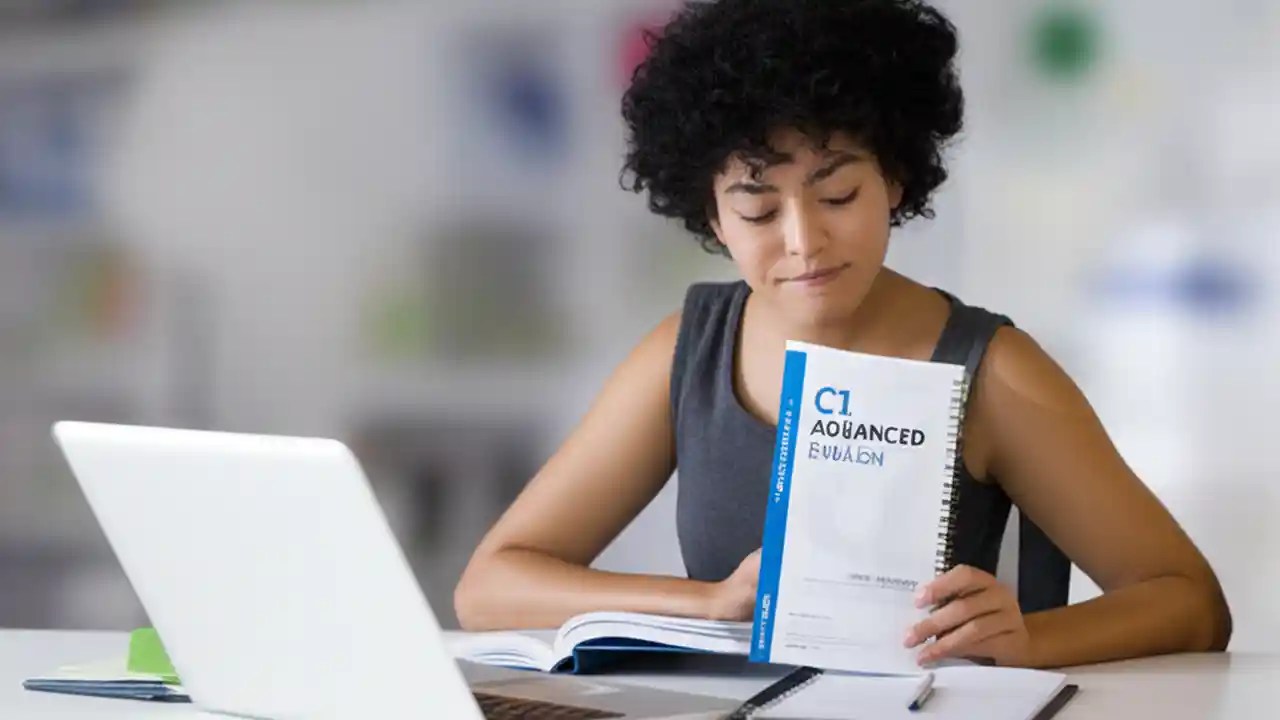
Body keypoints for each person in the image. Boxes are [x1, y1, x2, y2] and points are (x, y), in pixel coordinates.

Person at [453, 0, 1232, 668]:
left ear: (896, 179)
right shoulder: (686, 354)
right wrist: (713, 603)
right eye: (758, 210)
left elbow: (1191, 604)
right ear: (712, 217)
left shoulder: (993, 373)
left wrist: (1028, 637)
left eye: (839, 192)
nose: (803, 241)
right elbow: (489, 587)